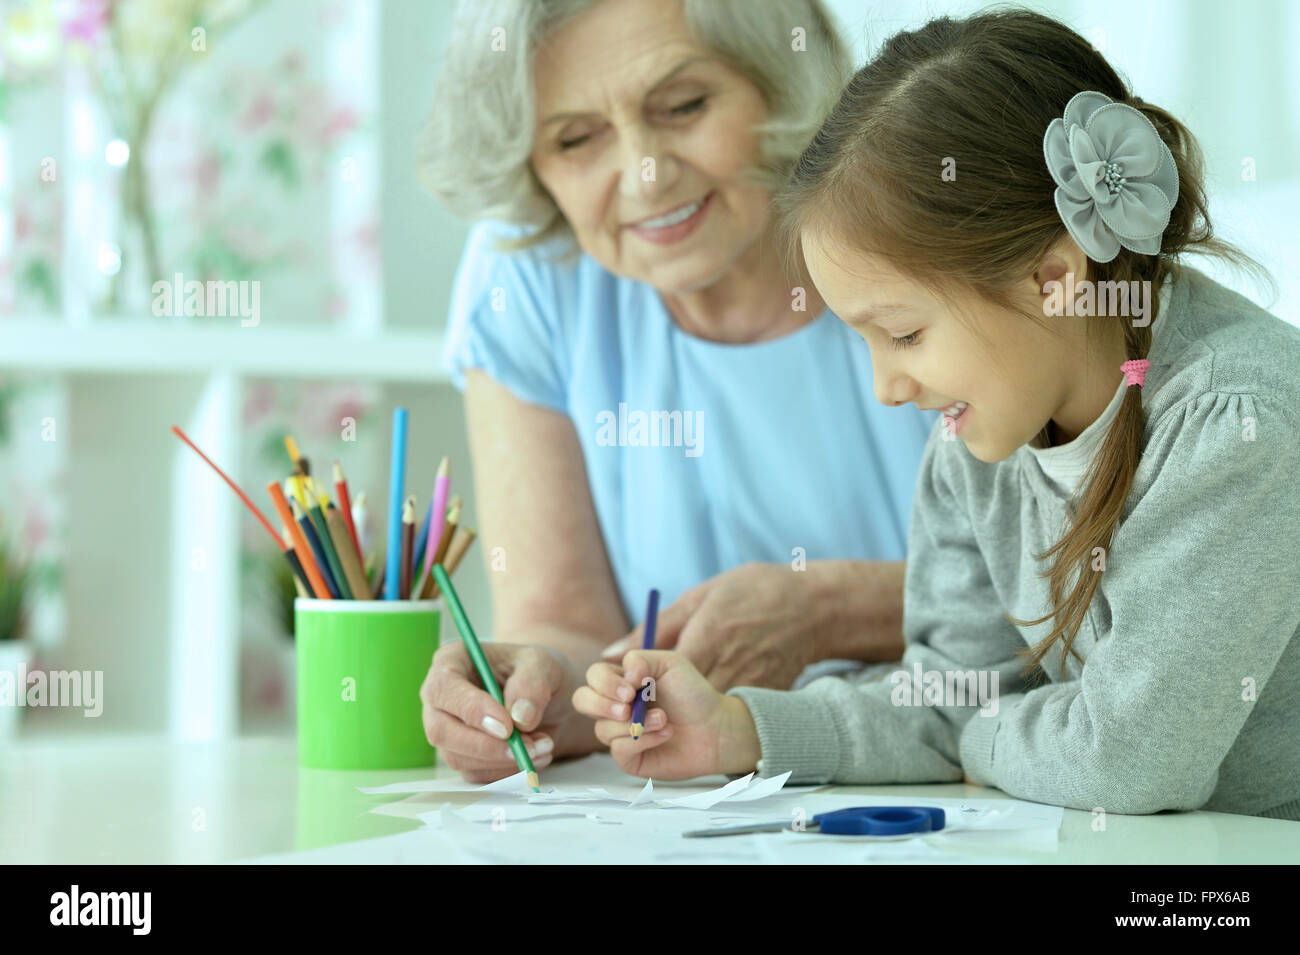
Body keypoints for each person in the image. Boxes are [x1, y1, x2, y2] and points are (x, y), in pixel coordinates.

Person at [575, 9, 1300, 819]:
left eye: (904, 333)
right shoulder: (974, 439)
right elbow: (947, 696)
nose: (888, 387)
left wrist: (976, 739)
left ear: (1054, 278)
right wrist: (739, 727)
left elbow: (1131, 760)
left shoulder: (1238, 426)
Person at [417, 0, 936, 783]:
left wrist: (828, 609)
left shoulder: (929, 221)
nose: (646, 172)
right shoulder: (526, 277)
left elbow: (1084, 589)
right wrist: (537, 687)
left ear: (779, 83)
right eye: (576, 138)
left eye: (685, 106)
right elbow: (570, 623)